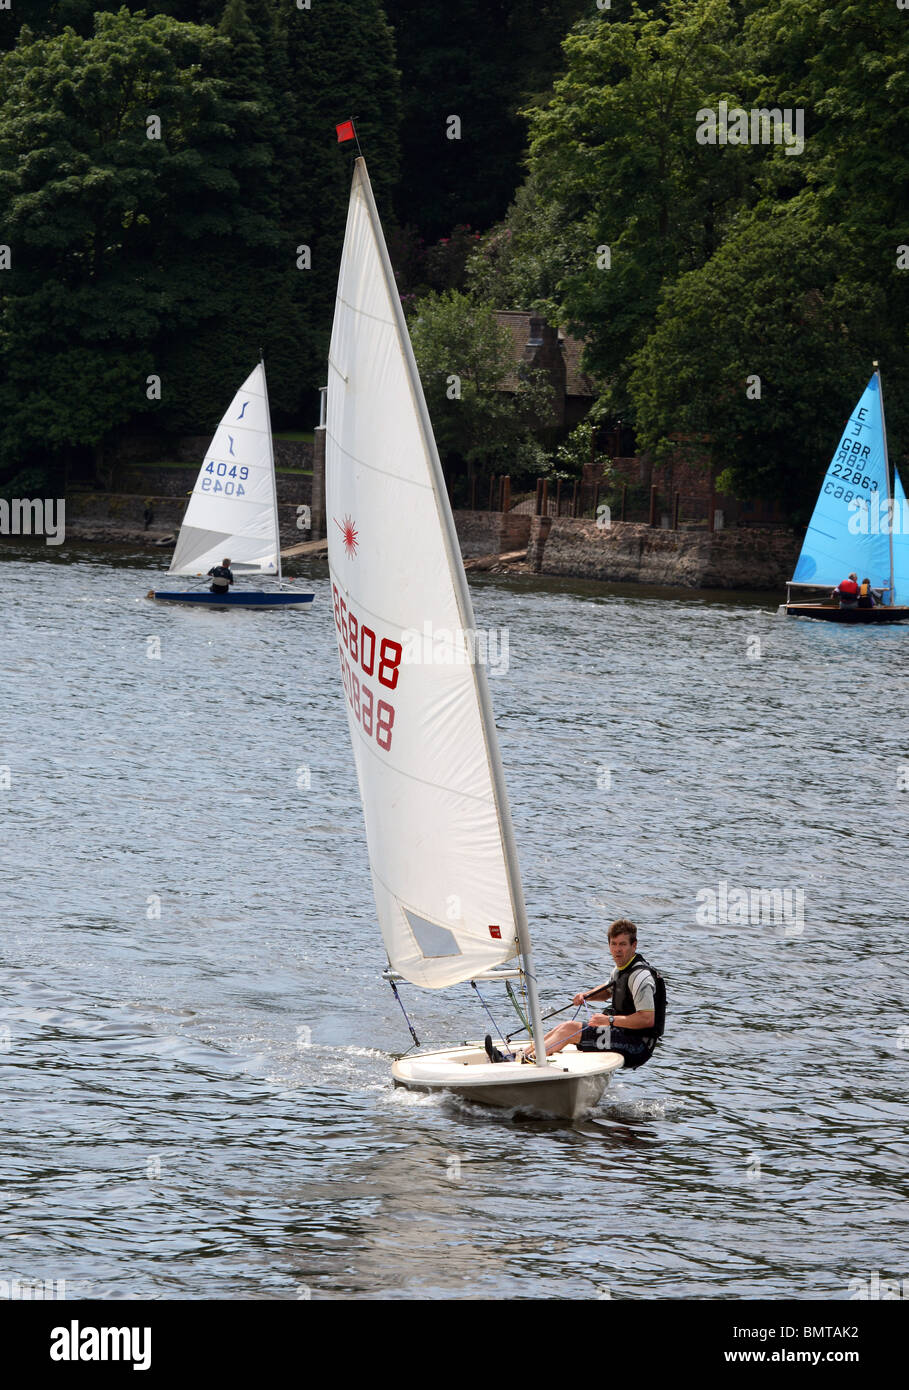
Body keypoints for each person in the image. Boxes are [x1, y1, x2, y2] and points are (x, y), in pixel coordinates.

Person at [486, 918, 661, 1070]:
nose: (617, 950)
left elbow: (647, 1019)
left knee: (570, 1030)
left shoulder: (640, 977)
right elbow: (608, 990)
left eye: (623, 944)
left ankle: (520, 1062)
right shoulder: (621, 969)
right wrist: (587, 995)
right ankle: (517, 1056)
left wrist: (609, 1020)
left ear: (634, 945)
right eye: (613, 944)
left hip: (638, 1045)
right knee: (563, 1027)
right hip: (623, 1033)